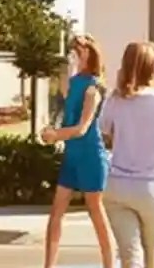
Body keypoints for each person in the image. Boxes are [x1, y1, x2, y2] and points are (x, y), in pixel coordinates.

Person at [99, 41, 154, 268]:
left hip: (117, 184)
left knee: (130, 256)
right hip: (151, 187)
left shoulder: (116, 98)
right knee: (152, 257)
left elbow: (103, 134)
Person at [40, 34, 114, 268]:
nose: (74, 55)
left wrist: (55, 135)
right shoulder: (73, 83)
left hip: (91, 156)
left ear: (89, 55)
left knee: (96, 214)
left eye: (78, 51)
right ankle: (48, 265)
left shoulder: (94, 88)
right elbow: (64, 104)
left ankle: (109, 264)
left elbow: (82, 128)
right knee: (56, 214)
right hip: (72, 156)